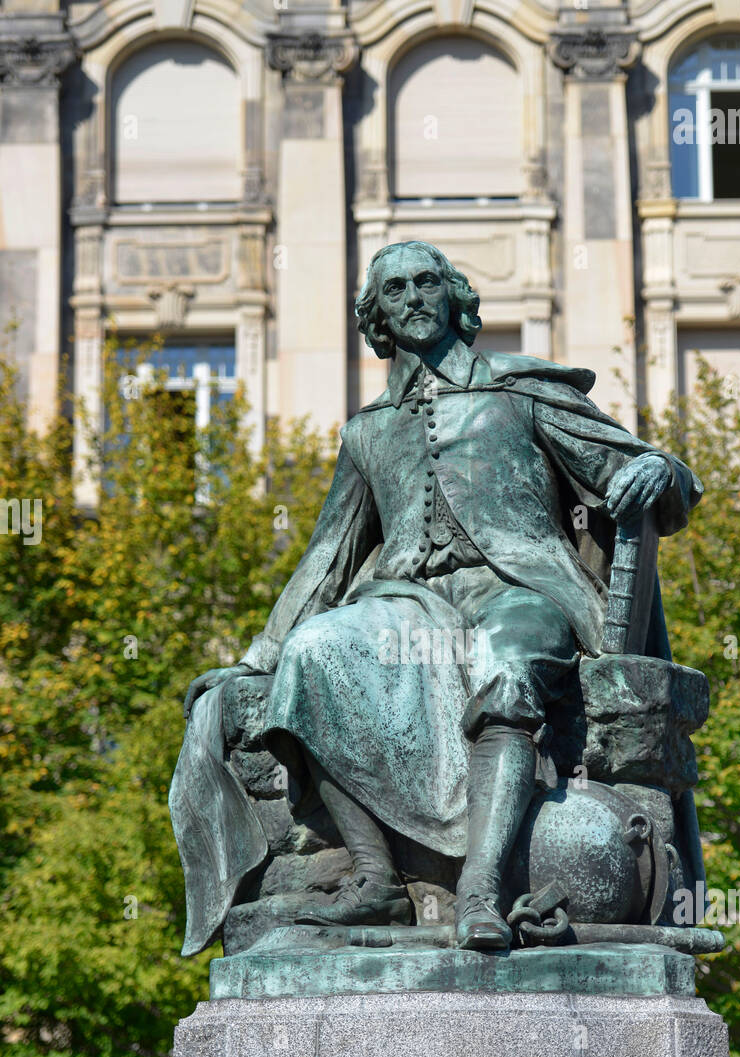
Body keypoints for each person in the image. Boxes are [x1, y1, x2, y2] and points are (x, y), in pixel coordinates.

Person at [175, 241, 702, 953]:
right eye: (394, 290)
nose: (414, 297)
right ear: (377, 317)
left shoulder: (520, 390)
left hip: (516, 590)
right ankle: (373, 881)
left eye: (427, 282)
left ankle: (479, 896)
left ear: (455, 298)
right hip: (406, 599)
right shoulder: (367, 431)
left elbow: (653, 472)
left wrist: (654, 469)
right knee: (311, 655)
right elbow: (328, 558)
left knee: (504, 665)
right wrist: (254, 658)